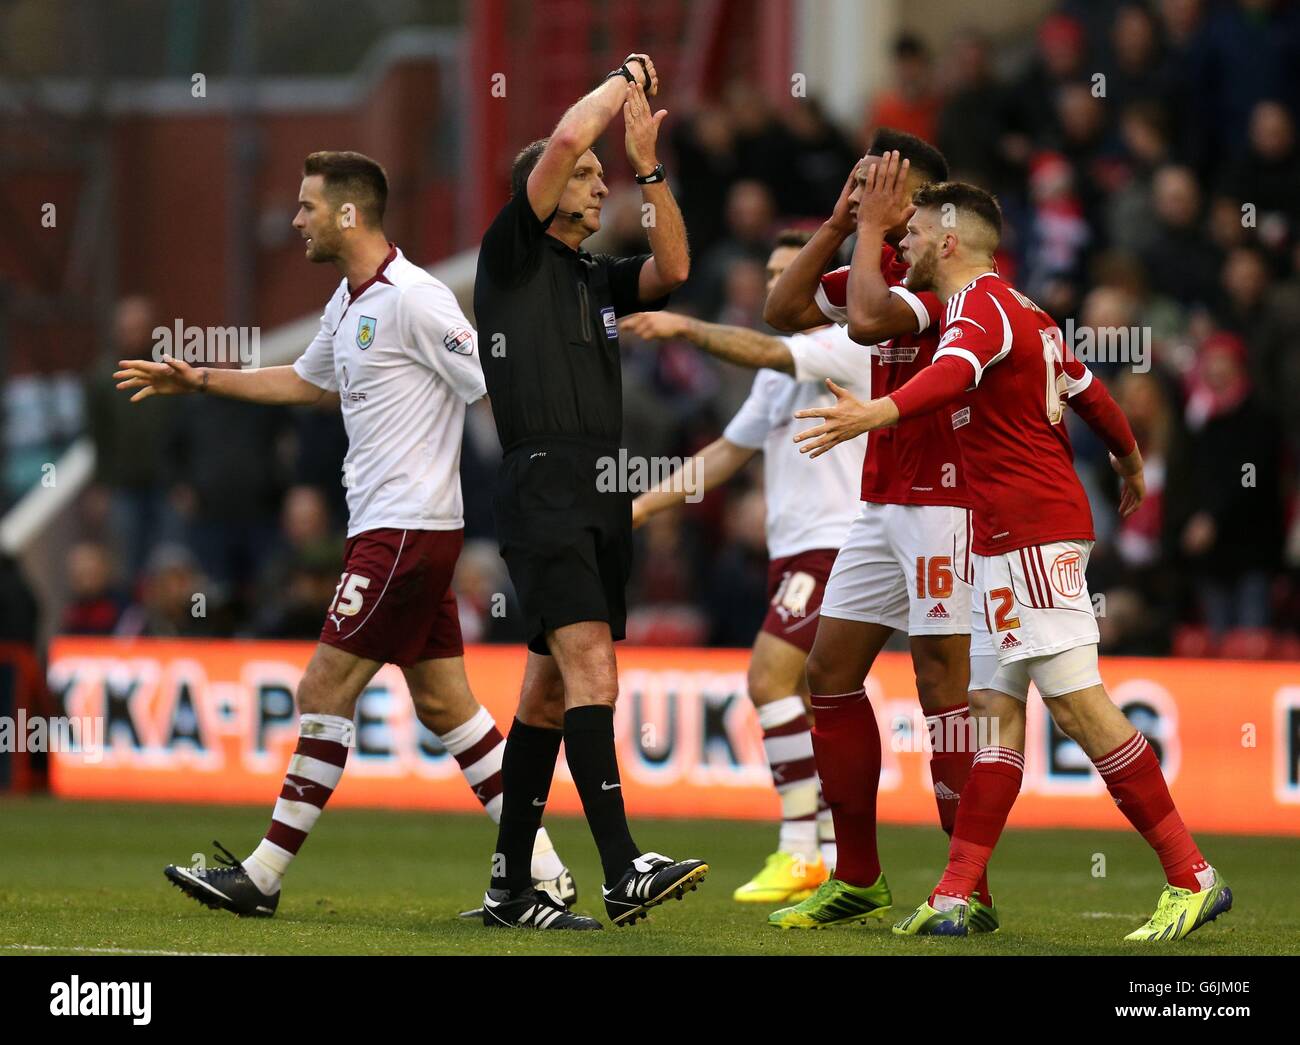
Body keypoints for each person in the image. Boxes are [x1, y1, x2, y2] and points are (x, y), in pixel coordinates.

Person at [114, 150, 573, 919]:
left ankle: (261, 875)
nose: (296, 220)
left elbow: (492, 384)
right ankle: (543, 879)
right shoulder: (349, 299)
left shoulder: (416, 299)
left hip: (404, 530)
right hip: (399, 531)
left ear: (348, 214)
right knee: (446, 707)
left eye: (306, 206)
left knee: (322, 688)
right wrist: (202, 378)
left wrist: (545, 488)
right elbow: (305, 378)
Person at [795, 177, 1231, 942]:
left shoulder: (983, 307)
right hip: (999, 536)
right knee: (994, 714)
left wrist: (879, 410)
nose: (909, 243)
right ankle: (959, 892)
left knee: (1075, 703)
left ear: (952, 240)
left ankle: (1192, 874)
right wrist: (1128, 461)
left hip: (1031, 531)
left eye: (920, 232)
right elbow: (1090, 389)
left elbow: (954, 373)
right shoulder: (1025, 309)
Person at [473, 53, 705, 930]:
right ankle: (621, 866)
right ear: (543, 188)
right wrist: (624, 80)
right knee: (592, 671)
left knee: (543, 695)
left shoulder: (591, 277)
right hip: (545, 483)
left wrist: (650, 166)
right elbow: (570, 131)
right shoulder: (515, 253)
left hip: (597, 488)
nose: (599, 177)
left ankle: (508, 889)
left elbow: (674, 267)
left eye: (606, 173)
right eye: (588, 174)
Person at [763, 132, 995, 931]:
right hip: (881, 498)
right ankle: (858, 874)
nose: (860, 193)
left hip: (947, 502)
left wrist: (868, 231)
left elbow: (862, 323)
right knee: (828, 672)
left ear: (923, 203)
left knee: (943, 687)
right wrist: (836, 223)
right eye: (855, 182)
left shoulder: (949, 279)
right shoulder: (874, 255)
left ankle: (970, 889)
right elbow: (784, 311)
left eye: (877, 184)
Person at [622, 230, 871, 905]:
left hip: (837, 543)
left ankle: (800, 848)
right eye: (769, 272)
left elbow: (761, 344)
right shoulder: (778, 374)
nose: (772, 285)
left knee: (768, 677)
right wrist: (640, 508)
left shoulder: (847, 346)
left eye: (789, 273)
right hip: (794, 547)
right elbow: (726, 455)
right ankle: (825, 851)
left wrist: (684, 326)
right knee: (815, 701)